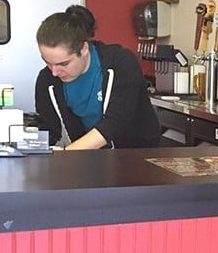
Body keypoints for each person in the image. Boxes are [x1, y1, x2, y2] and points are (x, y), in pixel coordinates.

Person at [35, 9, 161, 149]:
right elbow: (48, 129)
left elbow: (115, 122)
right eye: (48, 62)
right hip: (91, 156)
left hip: (137, 153)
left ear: (83, 49)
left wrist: (67, 153)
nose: (54, 72)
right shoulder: (46, 80)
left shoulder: (121, 62)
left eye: (64, 63)